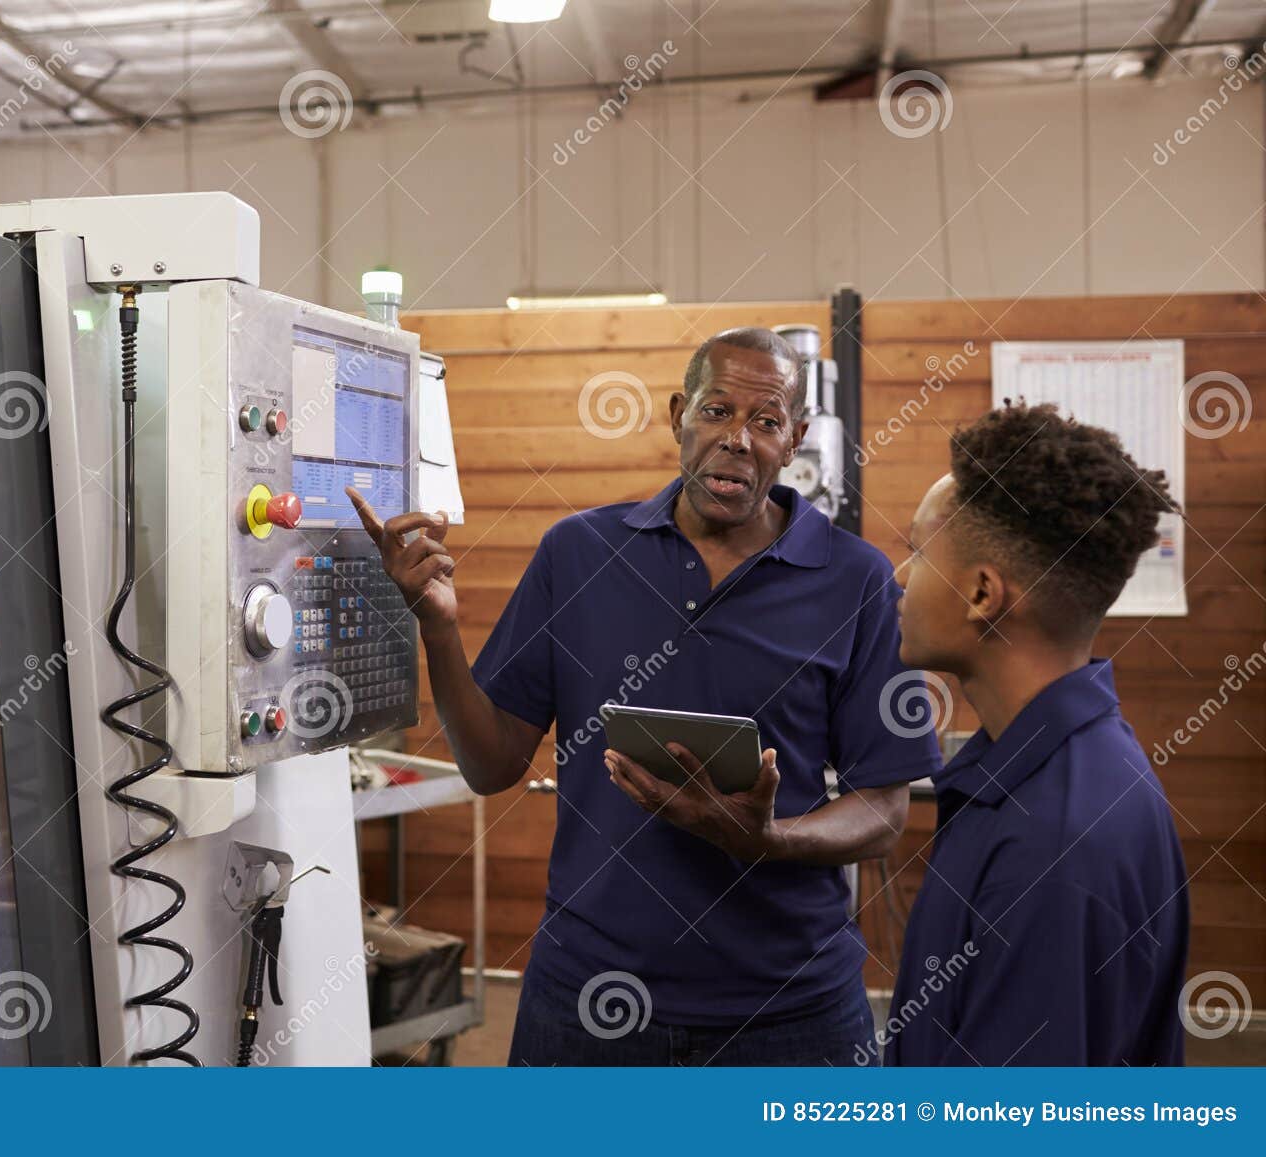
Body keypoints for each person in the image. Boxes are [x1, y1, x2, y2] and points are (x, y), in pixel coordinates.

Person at [348, 327, 941, 1066]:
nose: (736, 438)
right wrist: (437, 630)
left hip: (789, 1013)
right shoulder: (579, 553)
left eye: (765, 421)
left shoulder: (855, 579)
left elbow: (885, 811)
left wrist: (768, 840)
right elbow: (491, 764)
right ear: (676, 416)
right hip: (587, 1002)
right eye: (716, 410)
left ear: (795, 440)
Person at [885, 402, 1189, 1065]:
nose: (900, 579)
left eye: (917, 552)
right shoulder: (1054, 771)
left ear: (983, 594)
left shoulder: (1053, 844)